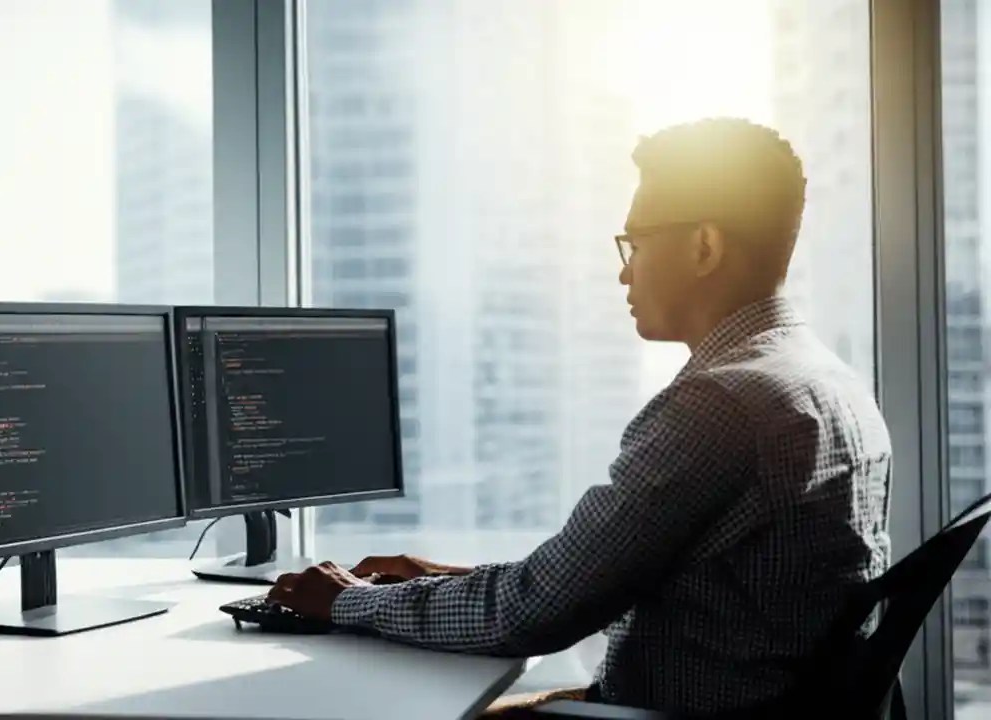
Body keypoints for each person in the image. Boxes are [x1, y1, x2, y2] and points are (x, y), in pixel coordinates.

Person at [266, 117, 893, 716]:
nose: (623, 272)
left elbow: (535, 613)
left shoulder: (720, 405)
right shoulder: (825, 379)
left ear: (704, 246)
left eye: (636, 243)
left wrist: (350, 602)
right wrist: (439, 580)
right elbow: (601, 577)